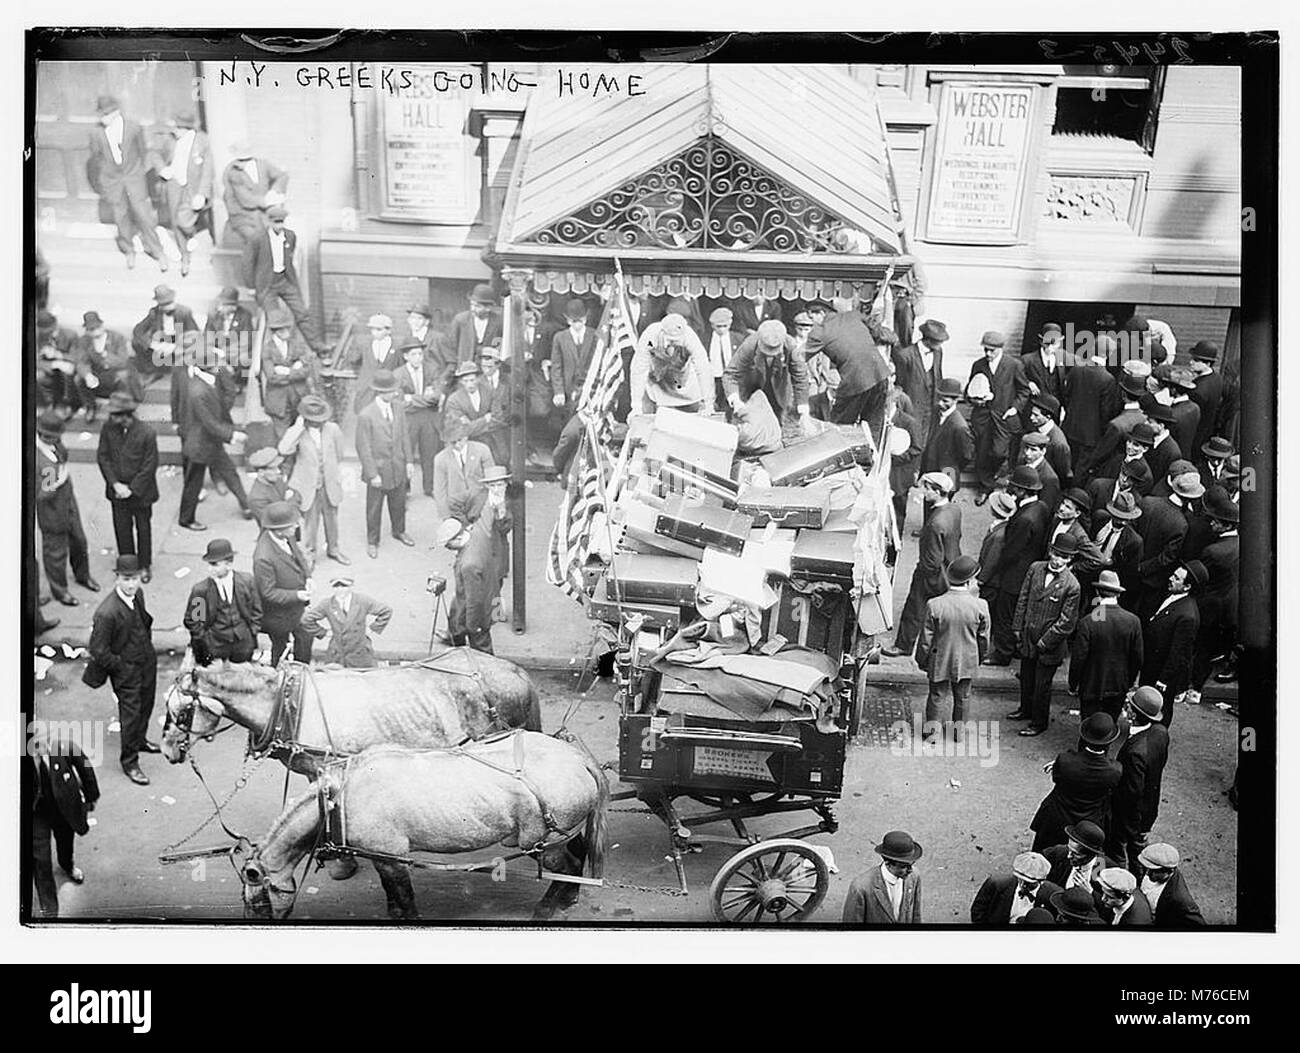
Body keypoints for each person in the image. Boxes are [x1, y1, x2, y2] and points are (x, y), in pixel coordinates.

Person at [85, 555, 158, 785]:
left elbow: (143, 623)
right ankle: (130, 762)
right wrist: (120, 667)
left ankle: (140, 740)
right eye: (126, 579)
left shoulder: (138, 595)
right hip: (127, 671)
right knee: (131, 714)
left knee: (147, 703)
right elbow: (97, 649)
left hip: (146, 662)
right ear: (117, 578)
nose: (131, 584)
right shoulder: (106, 612)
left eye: (135, 578)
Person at [1008, 533, 1082, 736]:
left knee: (1042, 686)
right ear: (1050, 551)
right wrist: (1017, 627)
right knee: (1026, 678)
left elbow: (1066, 622)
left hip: (1048, 644)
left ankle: (1039, 722)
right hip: (1028, 635)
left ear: (1070, 560)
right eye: (1057, 554)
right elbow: (1023, 598)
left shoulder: (1072, 585)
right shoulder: (1035, 568)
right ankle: (1025, 709)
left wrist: (1044, 642)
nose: (1059, 560)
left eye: (1065, 557)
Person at [883, 472, 962, 658]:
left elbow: (932, 560)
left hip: (932, 574)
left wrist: (924, 575)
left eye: (927, 488)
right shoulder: (954, 510)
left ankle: (903, 645)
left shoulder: (935, 523)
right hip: (950, 569)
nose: (923, 492)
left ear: (937, 491)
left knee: (914, 608)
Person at [85, 95, 167, 271]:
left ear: (116, 112)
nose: (103, 118)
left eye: (106, 114)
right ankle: (128, 250)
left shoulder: (133, 127)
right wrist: (103, 183)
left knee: (144, 215)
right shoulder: (96, 132)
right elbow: (95, 160)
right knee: (120, 216)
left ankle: (157, 251)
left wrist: (137, 175)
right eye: (101, 115)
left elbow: (144, 153)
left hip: (134, 179)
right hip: (112, 181)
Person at [914, 555, 990, 741]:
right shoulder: (980, 606)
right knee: (963, 696)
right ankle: (958, 734)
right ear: (969, 581)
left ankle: (932, 734)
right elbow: (984, 638)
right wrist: (979, 657)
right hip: (967, 658)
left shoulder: (935, 604)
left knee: (937, 695)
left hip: (940, 658)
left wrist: (922, 660)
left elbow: (926, 638)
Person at [985, 466, 1052, 665]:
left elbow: (1011, 551)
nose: (1012, 491)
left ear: (1022, 490)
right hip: (1029, 567)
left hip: (1014, 575)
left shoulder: (1024, 518)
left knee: (1005, 614)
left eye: (1014, 487)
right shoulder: (1041, 507)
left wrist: (998, 567)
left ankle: (1002, 653)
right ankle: (1013, 647)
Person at [30, 729, 100, 917]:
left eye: (45, 742)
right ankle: (50, 911)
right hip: (36, 814)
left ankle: (67, 865)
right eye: (36, 745)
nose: (42, 749)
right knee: (40, 860)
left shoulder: (65, 747)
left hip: (63, 808)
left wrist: (92, 796)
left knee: (65, 842)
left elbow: (85, 767)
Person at [177, 353, 250, 530]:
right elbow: (209, 423)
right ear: (208, 367)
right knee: (193, 483)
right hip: (200, 443)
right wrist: (232, 435)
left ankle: (246, 505)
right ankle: (186, 519)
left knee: (229, 471)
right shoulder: (198, 390)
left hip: (209, 441)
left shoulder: (206, 381)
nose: (220, 366)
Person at [1029, 713, 1122, 851]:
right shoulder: (1115, 770)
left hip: (1057, 818)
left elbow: (1058, 778)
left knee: (1044, 855)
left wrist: (1060, 764)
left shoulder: (1065, 760)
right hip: (1090, 823)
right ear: (1109, 742)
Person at [242, 205, 328, 354]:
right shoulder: (257, 239)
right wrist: (251, 286)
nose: (279, 225)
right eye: (276, 222)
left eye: (281, 222)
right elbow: (247, 263)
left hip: (285, 281)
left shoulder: (290, 236)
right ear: (268, 221)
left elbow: (289, 256)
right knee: (275, 318)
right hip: (266, 285)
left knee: (302, 313)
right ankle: (274, 355)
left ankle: (318, 347)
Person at [35, 412, 99, 607]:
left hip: (68, 504)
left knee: (79, 540)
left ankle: (82, 575)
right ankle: (60, 590)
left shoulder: (55, 447)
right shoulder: (41, 460)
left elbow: (63, 457)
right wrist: (59, 480)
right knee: (55, 552)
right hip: (52, 512)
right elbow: (43, 495)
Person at [278, 395, 349, 565]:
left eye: (320, 419)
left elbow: (339, 454)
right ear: (305, 418)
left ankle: (334, 549)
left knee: (332, 518)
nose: (317, 422)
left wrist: (329, 472)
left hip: (329, 483)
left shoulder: (333, 429)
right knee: (310, 522)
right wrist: (297, 427)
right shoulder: (299, 432)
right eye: (313, 419)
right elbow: (283, 448)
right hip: (307, 486)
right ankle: (309, 554)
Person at [1105, 686, 1169, 874]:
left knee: (1117, 850)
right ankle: (1140, 877)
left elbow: (1131, 792)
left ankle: (1119, 882)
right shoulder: (1160, 732)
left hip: (1129, 816)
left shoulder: (1135, 752)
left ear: (1134, 713)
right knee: (1139, 848)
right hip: (1149, 808)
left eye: (1129, 706)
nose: (1126, 708)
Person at [96, 391, 158, 583]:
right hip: (117, 492)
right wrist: (115, 483)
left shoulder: (147, 432)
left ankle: (144, 565)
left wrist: (132, 489)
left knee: (143, 529)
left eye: (115, 414)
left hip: (141, 493)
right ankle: (128, 566)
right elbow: (103, 457)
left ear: (126, 415)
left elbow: (150, 464)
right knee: (122, 530)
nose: (110, 417)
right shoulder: (108, 429)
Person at [355, 369, 415, 558]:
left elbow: (405, 435)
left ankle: (399, 531)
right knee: (374, 508)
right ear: (380, 392)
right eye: (391, 391)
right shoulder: (366, 415)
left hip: (397, 466)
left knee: (399, 502)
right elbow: (363, 448)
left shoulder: (398, 408)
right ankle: (373, 541)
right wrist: (373, 474)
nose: (395, 393)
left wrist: (409, 461)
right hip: (378, 471)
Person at [723, 320, 814, 444]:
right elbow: (731, 374)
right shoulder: (750, 344)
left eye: (774, 351)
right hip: (750, 391)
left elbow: (800, 377)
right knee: (748, 432)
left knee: (776, 431)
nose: (770, 355)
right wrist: (736, 400)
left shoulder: (791, 347)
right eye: (766, 351)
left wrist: (803, 411)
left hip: (777, 393)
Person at [803, 302, 892, 429]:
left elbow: (799, 357)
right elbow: (876, 330)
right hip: (881, 375)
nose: (812, 323)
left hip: (855, 381)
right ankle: (872, 448)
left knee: (838, 426)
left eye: (812, 318)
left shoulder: (819, 333)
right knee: (873, 426)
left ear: (822, 313)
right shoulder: (853, 316)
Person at [965, 329, 1029, 504]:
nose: (988, 354)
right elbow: (969, 391)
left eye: (992, 350)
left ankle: (991, 476)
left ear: (1001, 349)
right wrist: (975, 400)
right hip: (983, 418)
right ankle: (985, 487)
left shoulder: (1014, 365)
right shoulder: (978, 365)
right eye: (985, 349)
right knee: (983, 452)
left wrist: (1015, 408)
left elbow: (1024, 390)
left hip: (1003, 417)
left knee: (999, 452)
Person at [1069, 571, 1143, 722]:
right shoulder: (1133, 621)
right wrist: (1129, 682)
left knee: (1089, 727)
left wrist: (1073, 683)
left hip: (1091, 686)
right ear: (1118, 594)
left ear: (1097, 592)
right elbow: (1137, 658)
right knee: (1109, 726)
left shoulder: (1088, 622)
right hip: (1118, 685)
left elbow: (1079, 658)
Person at [1187, 489, 1239, 703]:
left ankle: (1192, 688)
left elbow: (1199, 580)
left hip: (1210, 606)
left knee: (1201, 647)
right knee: (1213, 648)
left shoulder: (1212, 552)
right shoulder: (1242, 544)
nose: (1211, 524)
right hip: (1231, 603)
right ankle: (1198, 687)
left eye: (1216, 522)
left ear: (1227, 525)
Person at [1140, 561, 1206, 727]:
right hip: (1152, 666)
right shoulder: (1173, 598)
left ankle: (1156, 736)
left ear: (1187, 587)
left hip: (1161, 673)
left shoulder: (1187, 616)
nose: (1170, 578)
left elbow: (1179, 653)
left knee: (1160, 709)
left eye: (1177, 578)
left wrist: (1163, 681)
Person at [253, 501, 314, 665]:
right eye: (292, 524)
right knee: (281, 647)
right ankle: (278, 675)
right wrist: (298, 595)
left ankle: (301, 668)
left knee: (306, 636)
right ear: (278, 530)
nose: (296, 526)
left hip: (296, 607)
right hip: (278, 615)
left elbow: (298, 555)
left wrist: (308, 576)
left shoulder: (287, 535)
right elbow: (268, 592)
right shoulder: (263, 558)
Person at [184, 538, 262, 665]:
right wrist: (205, 639)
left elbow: (256, 610)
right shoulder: (201, 590)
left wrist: (252, 632)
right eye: (209, 564)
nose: (210, 569)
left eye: (215, 564)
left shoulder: (247, 582)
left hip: (243, 644)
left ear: (229, 564)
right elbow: (193, 620)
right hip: (215, 647)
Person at [155, 111, 212, 277]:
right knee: (175, 220)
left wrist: (202, 193)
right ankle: (185, 257)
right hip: (174, 185)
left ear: (187, 129)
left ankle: (191, 233)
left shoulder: (202, 141)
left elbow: (208, 170)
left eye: (179, 128)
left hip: (192, 187)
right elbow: (154, 153)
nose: (175, 131)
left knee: (184, 221)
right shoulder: (170, 139)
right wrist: (162, 168)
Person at [630, 313, 714, 415]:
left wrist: (708, 403)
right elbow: (639, 369)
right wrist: (636, 405)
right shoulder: (650, 336)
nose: (673, 343)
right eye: (670, 340)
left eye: (676, 340)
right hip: (658, 380)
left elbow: (703, 369)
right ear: (662, 332)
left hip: (684, 381)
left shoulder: (690, 337)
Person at [302, 576, 393, 668]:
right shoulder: (327, 604)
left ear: (351, 587)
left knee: (363, 677)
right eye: (336, 587)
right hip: (337, 652)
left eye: (344, 587)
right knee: (336, 677)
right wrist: (323, 632)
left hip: (360, 651)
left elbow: (386, 611)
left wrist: (372, 628)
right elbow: (306, 619)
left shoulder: (362, 601)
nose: (340, 590)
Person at [1062, 333, 1120, 475]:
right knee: (1080, 471)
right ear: (1110, 354)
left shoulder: (1076, 368)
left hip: (1069, 428)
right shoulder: (1108, 379)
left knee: (1064, 465)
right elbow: (1106, 412)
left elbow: (1066, 395)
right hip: (1090, 437)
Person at [442, 515, 500, 654]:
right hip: (491, 594)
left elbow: (474, 601)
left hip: (480, 610)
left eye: (448, 545)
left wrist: (473, 626)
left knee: (481, 647)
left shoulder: (469, 564)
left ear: (457, 538)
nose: (448, 548)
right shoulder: (478, 534)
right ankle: (455, 639)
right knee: (456, 617)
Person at [1136, 479, 1193, 619]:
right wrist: (1143, 568)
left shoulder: (1147, 501)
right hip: (1153, 581)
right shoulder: (1181, 523)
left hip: (1129, 570)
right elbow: (1167, 558)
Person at [1080, 371, 1150, 484]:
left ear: (1123, 394)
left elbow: (1099, 455)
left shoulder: (1116, 425)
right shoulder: (1144, 418)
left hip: (1109, 470)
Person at [841, 831, 923, 925]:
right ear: (888, 864)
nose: (910, 870)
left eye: (912, 864)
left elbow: (916, 914)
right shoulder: (861, 888)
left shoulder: (914, 876)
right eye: (904, 866)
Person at [259, 306, 317, 439]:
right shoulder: (267, 349)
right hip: (279, 403)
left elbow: (307, 370)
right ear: (276, 331)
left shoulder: (296, 345)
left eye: (287, 327)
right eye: (284, 328)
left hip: (299, 399)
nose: (288, 331)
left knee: (302, 437)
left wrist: (286, 371)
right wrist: (295, 370)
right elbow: (272, 377)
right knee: (284, 441)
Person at [396, 339, 443, 496]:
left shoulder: (432, 369)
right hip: (408, 419)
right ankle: (405, 488)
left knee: (429, 453)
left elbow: (436, 397)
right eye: (414, 354)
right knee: (406, 453)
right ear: (406, 356)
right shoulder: (398, 374)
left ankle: (429, 488)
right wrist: (423, 398)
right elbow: (400, 402)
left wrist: (412, 398)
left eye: (420, 354)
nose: (418, 358)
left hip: (428, 418)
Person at [893, 319, 948, 452]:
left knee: (926, 443)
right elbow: (899, 386)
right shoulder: (905, 356)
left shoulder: (938, 353)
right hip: (912, 410)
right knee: (913, 444)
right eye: (939, 341)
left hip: (931, 409)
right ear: (928, 340)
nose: (941, 345)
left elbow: (938, 377)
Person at [221, 141, 288, 248]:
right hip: (242, 217)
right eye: (240, 160)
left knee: (281, 237)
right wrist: (268, 201)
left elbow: (282, 176)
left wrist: (274, 191)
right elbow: (245, 199)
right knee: (258, 240)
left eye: (247, 159)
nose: (242, 163)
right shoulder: (233, 172)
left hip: (263, 214)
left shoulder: (263, 165)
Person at [73, 311, 140, 415]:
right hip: (97, 374)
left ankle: (122, 405)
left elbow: (123, 361)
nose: (95, 332)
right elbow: (81, 361)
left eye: (97, 328)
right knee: (78, 379)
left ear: (102, 326)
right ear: (87, 331)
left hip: (114, 373)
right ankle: (90, 406)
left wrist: (104, 354)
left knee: (124, 376)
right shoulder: (84, 341)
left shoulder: (117, 337)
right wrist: (87, 375)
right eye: (91, 329)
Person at [134, 283, 199, 389]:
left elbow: (194, 334)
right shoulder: (154, 313)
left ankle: (185, 372)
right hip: (161, 342)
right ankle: (152, 371)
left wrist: (177, 347)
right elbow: (138, 330)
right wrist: (152, 344)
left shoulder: (184, 312)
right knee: (136, 342)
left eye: (169, 303)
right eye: (163, 304)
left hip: (179, 344)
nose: (167, 307)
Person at [970, 851, 1061, 926]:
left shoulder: (1053, 894)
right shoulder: (996, 884)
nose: (1023, 885)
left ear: (1041, 881)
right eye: (1021, 880)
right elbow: (978, 911)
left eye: (1029, 883)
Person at [433, 421, 495, 526]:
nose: (457, 445)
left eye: (460, 440)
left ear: (466, 436)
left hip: (480, 503)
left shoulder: (482, 450)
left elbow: (492, 479)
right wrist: (446, 518)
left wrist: (492, 505)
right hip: (456, 507)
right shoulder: (440, 459)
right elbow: (440, 491)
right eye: (453, 442)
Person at [919, 376, 973, 491]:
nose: (940, 403)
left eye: (945, 401)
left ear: (956, 400)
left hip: (948, 474)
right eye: (939, 398)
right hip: (931, 469)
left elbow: (966, 455)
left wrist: (951, 466)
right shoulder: (936, 411)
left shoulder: (960, 426)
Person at [1093, 490, 1144, 609]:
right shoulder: (1099, 518)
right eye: (1118, 517)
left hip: (1106, 583)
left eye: (1126, 518)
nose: (1122, 521)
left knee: (1097, 611)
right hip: (1087, 572)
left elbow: (1129, 575)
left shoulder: (1134, 541)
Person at [1137, 843, 1206, 928]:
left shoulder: (1181, 900)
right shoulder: (1151, 872)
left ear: (1169, 871)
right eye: (1147, 868)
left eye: (1154, 871)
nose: (1147, 874)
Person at [1041, 821, 1118, 891]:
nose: (1069, 856)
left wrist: (1090, 892)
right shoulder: (1058, 852)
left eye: (1076, 854)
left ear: (1091, 854)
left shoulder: (1108, 871)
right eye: (1069, 849)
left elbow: (1113, 903)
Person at [350, 313, 403, 415]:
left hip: (387, 389)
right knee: (364, 415)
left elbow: (400, 367)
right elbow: (354, 362)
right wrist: (363, 377)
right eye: (372, 330)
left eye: (379, 330)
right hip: (367, 388)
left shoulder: (396, 347)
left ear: (388, 330)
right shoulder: (365, 345)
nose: (375, 333)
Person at [886, 389, 923, 533]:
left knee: (897, 513)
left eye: (885, 401)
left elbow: (916, 449)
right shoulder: (877, 419)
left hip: (899, 477)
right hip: (881, 475)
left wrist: (893, 458)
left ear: (894, 401)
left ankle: (895, 542)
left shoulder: (908, 422)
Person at [443, 283, 503, 366]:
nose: (473, 309)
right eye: (471, 305)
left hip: (488, 368)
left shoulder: (499, 322)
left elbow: (502, 345)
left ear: (488, 308)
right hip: (466, 369)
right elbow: (451, 347)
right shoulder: (460, 320)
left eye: (477, 306)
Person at [203, 287, 256, 378]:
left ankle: (234, 382)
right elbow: (207, 338)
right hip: (218, 353)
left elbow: (246, 343)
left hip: (237, 354)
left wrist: (225, 354)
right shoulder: (213, 315)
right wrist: (217, 353)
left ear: (233, 307)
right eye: (219, 304)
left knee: (244, 360)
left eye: (223, 305)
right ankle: (223, 378)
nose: (219, 308)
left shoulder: (245, 316)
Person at [976, 490, 1016, 606]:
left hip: (991, 582)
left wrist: (982, 578)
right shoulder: (1000, 526)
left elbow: (992, 560)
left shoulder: (999, 535)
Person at [1026, 392, 1072, 488]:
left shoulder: (1059, 443)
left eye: (1036, 415)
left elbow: (1063, 474)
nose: (1031, 417)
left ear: (1048, 417)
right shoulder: (1035, 427)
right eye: (1032, 413)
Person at [1187, 340, 1224, 453]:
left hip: (1196, 432)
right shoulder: (1217, 377)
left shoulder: (1198, 390)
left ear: (1207, 364)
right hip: (1209, 428)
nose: (1191, 362)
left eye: (1196, 360)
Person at [245, 447, 296, 526]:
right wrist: (288, 502)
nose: (278, 471)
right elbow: (275, 521)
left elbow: (296, 496)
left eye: (278, 467)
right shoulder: (256, 498)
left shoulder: (277, 480)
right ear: (261, 472)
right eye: (273, 469)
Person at [1142, 402, 1183, 486]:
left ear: (1161, 426)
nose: (1145, 424)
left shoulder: (1172, 452)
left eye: (1150, 422)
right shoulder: (1149, 438)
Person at [1018, 433, 1061, 514]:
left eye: (1033, 450)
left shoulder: (1049, 478)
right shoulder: (1022, 461)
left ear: (1043, 451)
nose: (1027, 453)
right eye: (1026, 448)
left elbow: (1044, 507)